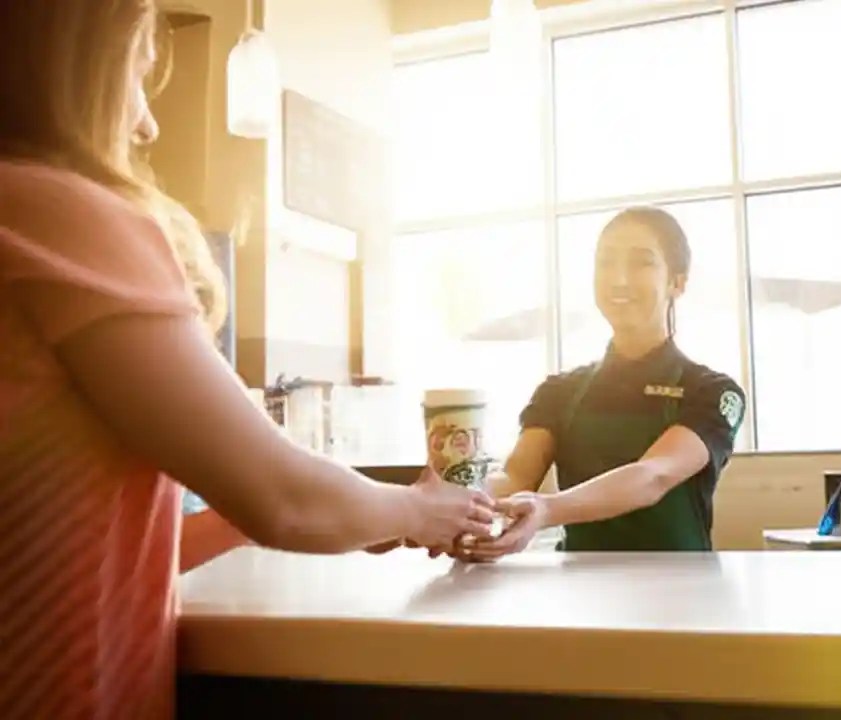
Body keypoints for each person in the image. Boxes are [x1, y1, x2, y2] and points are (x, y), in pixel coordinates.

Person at [0, 3, 495, 718]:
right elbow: (281, 497)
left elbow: (90, 542)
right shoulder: (65, 212)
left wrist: (373, 512)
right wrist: (416, 510)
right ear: (79, 69)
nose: (147, 124)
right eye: (140, 76)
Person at [464, 207, 747, 559]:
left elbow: (652, 476)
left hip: (680, 598)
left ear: (677, 281)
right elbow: (515, 477)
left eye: (641, 262)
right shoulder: (559, 392)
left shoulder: (713, 392)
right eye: (606, 262)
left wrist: (548, 510)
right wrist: (455, 501)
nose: (619, 279)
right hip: (581, 598)